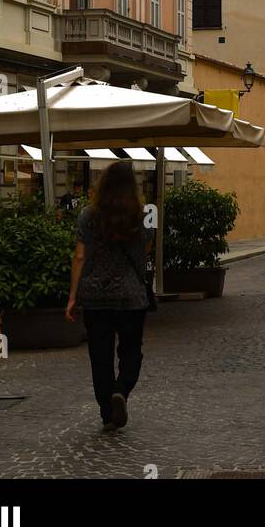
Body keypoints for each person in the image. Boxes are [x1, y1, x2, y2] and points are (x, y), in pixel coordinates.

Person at [66, 161, 150, 430]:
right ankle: (121, 391)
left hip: (95, 296)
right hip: (130, 296)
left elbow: (80, 256)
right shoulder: (141, 216)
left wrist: (72, 296)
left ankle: (106, 411)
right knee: (131, 350)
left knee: (99, 355)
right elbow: (143, 254)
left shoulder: (88, 216)